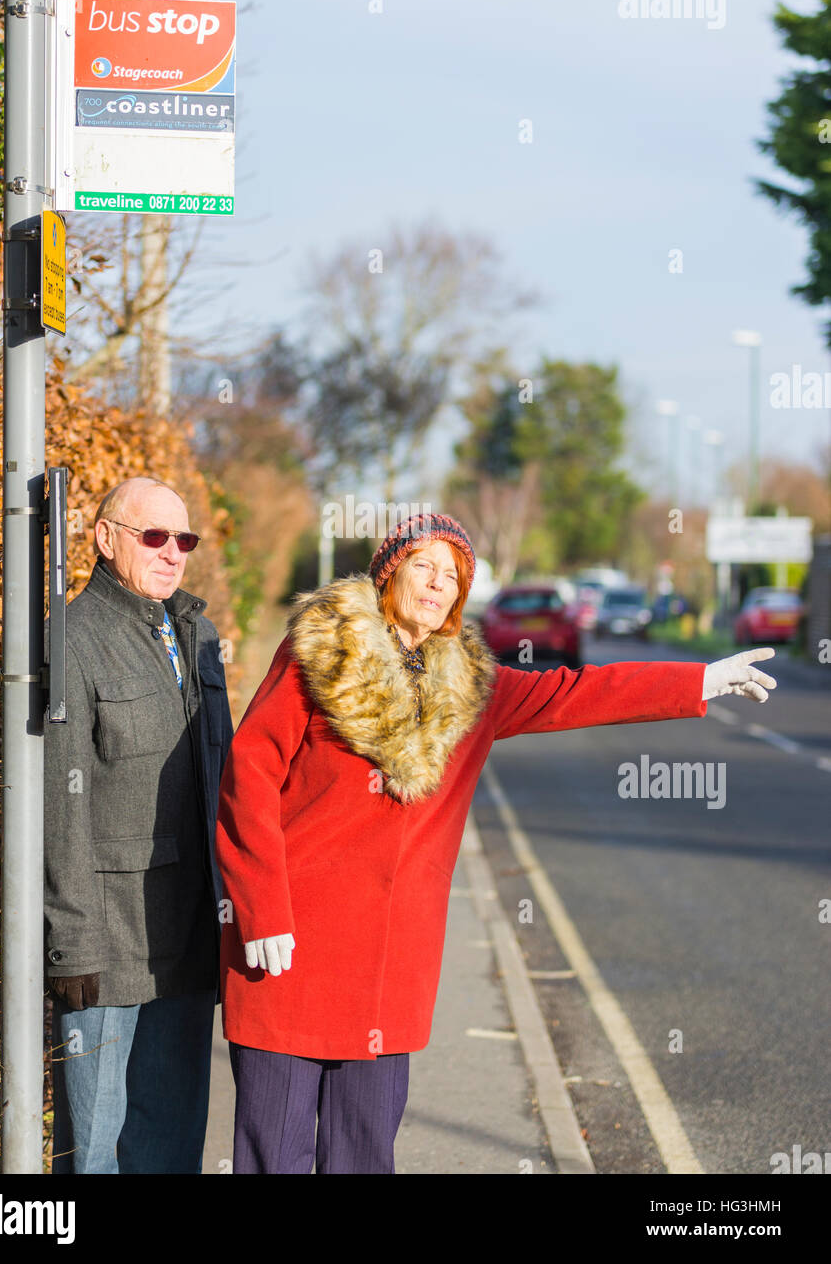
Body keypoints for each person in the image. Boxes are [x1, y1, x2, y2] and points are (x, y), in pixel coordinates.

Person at [215, 511, 776, 1175]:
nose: (436, 584)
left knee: (362, 1157)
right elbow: (246, 776)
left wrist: (698, 681)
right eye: (423, 565)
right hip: (289, 951)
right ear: (388, 572)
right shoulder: (315, 652)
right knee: (273, 1155)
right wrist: (262, 909)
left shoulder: (473, 689)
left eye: (451, 576)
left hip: (388, 970)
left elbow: (578, 692)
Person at [44, 476, 233, 1173]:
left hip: (186, 936)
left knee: (172, 1139)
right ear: (104, 538)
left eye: (183, 539)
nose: (171, 552)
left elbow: (227, 776)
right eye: (153, 535)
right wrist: (72, 943)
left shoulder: (198, 633)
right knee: (92, 1148)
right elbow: (59, 804)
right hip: (106, 945)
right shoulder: (71, 640)